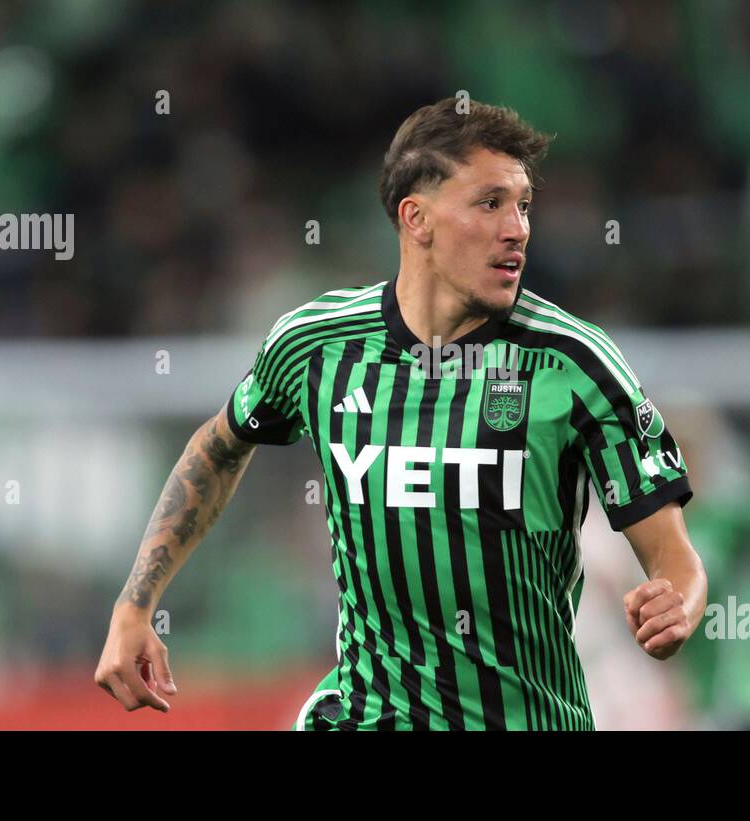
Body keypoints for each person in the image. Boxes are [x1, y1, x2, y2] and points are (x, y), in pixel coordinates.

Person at [94, 97, 707, 730]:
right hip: (367, 715)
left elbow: (676, 559)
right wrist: (135, 607)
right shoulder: (317, 345)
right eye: (490, 202)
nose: (518, 227)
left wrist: (677, 604)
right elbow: (219, 447)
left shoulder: (577, 364)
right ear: (416, 218)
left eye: (524, 205)